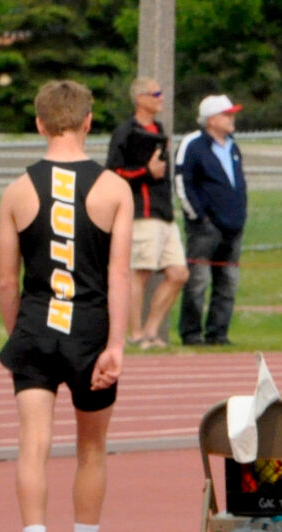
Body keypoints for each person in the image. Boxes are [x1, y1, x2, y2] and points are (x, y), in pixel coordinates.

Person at [0, 80, 133, 532]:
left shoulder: (16, 190)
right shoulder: (114, 189)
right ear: (89, 121)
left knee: (33, 445)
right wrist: (117, 344)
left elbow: (7, 280)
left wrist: (17, 337)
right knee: (91, 450)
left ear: (39, 124)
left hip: (34, 326)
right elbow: (119, 276)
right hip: (90, 329)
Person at [106, 76, 186, 350]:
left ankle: (152, 331)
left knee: (178, 272)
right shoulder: (126, 132)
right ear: (140, 98)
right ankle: (136, 333)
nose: (161, 98)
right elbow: (113, 171)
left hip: (164, 211)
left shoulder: (159, 128)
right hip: (142, 211)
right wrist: (144, 173)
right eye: (156, 93)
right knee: (139, 272)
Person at [176, 94, 246, 345]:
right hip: (205, 228)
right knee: (198, 281)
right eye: (226, 115)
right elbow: (183, 183)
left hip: (233, 226)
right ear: (211, 119)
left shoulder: (233, 146)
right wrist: (200, 217)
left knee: (228, 283)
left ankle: (218, 333)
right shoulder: (193, 144)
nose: (231, 119)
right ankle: (191, 333)